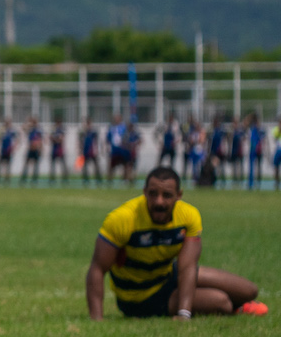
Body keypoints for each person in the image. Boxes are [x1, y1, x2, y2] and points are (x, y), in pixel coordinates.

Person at [85, 166, 267, 320]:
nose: (159, 201)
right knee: (222, 302)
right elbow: (97, 268)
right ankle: (235, 308)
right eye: (153, 194)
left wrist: (184, 313)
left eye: (167, 195)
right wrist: (97, 319)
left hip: (167, 275)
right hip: (138, 298)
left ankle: (237, 304)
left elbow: (187, 267)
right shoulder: (122, 219)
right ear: (144, 192)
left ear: (179, 195)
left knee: (249, 290)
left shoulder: (189, 216)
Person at [106, 114, 131, 184]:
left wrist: (126, 145)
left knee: (125, 165)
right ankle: (109, 180)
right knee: (111, 165)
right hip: (114, 150)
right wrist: (107, 146)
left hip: (122, 149)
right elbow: (108, 138)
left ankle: (125, 180)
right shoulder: (111, 127)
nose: (117, 120)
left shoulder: (124, 127)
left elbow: (127, 137)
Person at [0, 118, 17, 184]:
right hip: (2, 150)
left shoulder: (12, 131)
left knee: (8, 166)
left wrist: (14, 147)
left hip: (8, 150)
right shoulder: (2, 130)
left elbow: (16, 139)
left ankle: (7, 179)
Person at [78, 118, 101, 184]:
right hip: (85, 151)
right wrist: (80, 149)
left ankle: (98, 179)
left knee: (96, 166)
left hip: (92, 151)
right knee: (84, 167)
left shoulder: (93, 132)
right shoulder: (82, 133)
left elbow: (96, 142)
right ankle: (86, 180)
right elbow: (81, 142)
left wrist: (97, 150)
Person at [20, 116, 42, 184]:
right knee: (26, 165)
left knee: (35, 165)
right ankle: (24, 179)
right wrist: (27, 122)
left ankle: (34, 179)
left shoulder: (38, 130)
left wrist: (40, 149)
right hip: (30, 149)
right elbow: (23, 128)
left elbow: (40, 140)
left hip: (36, 149)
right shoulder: (30, 130)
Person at [247, 113, 264, 190]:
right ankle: (253, 183)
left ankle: (253, 183)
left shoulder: (255, 129)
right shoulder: (254, 129)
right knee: (253, 167)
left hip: (254, 150)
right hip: (254, 149)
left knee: (255, 167)